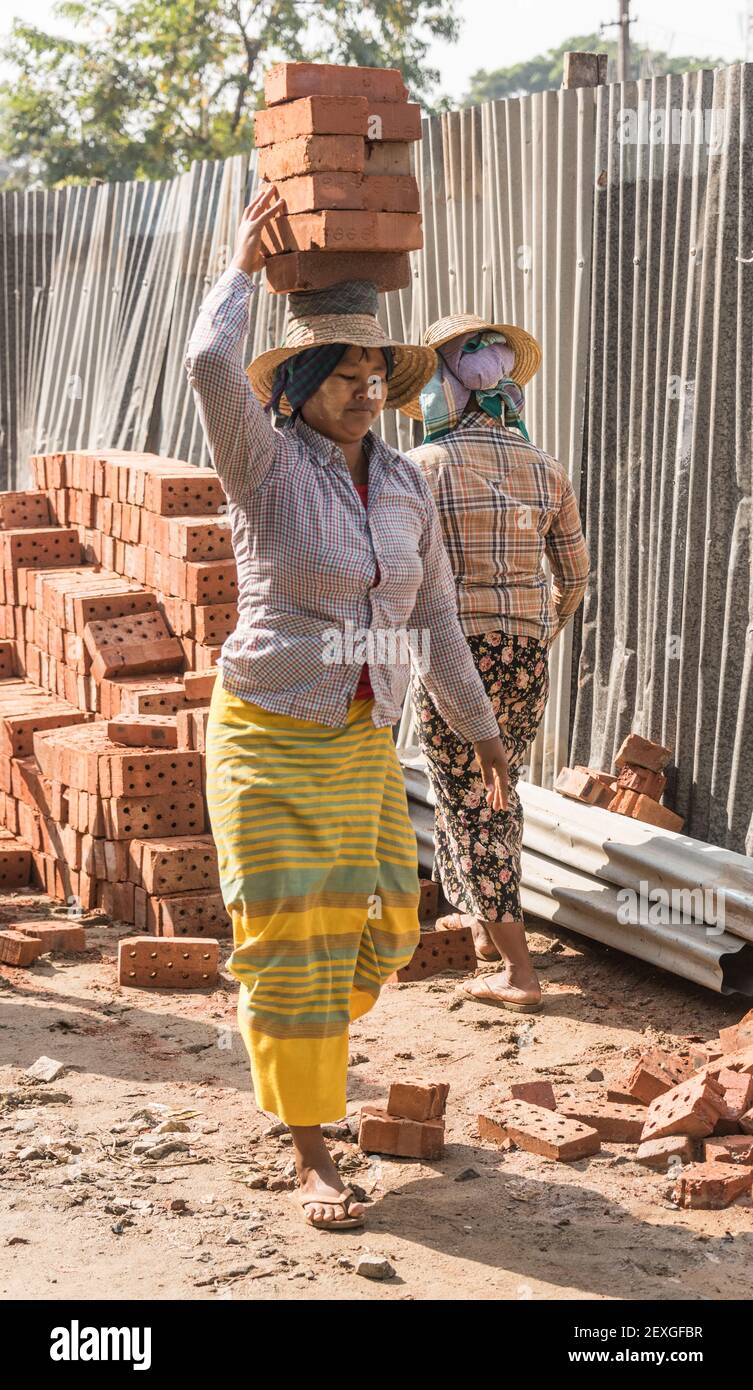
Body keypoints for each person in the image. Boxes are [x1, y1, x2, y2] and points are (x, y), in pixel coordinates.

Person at [185, 187, 509, 1230]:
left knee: (392, 927)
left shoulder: (411, 487)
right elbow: (205, 366)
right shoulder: (268, 470)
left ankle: (301, 1032)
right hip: (271, 734)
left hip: (366, 745)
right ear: (307, 383)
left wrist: (483, 731)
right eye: (348, 372)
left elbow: (438, 626)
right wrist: (241, 267)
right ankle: (311, 1149)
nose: (367, 388)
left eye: (378, 372)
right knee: (292, 945)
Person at [403, 313, 590, 1012]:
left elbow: (398, 569)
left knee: (473, 802)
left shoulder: (424, 468)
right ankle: (488, 936)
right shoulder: (544, 468)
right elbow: (573, 577)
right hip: (523, 658)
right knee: (489, 794)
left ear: (442, 388)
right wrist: (534, 636)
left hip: (454, 652)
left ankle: (517, 973)